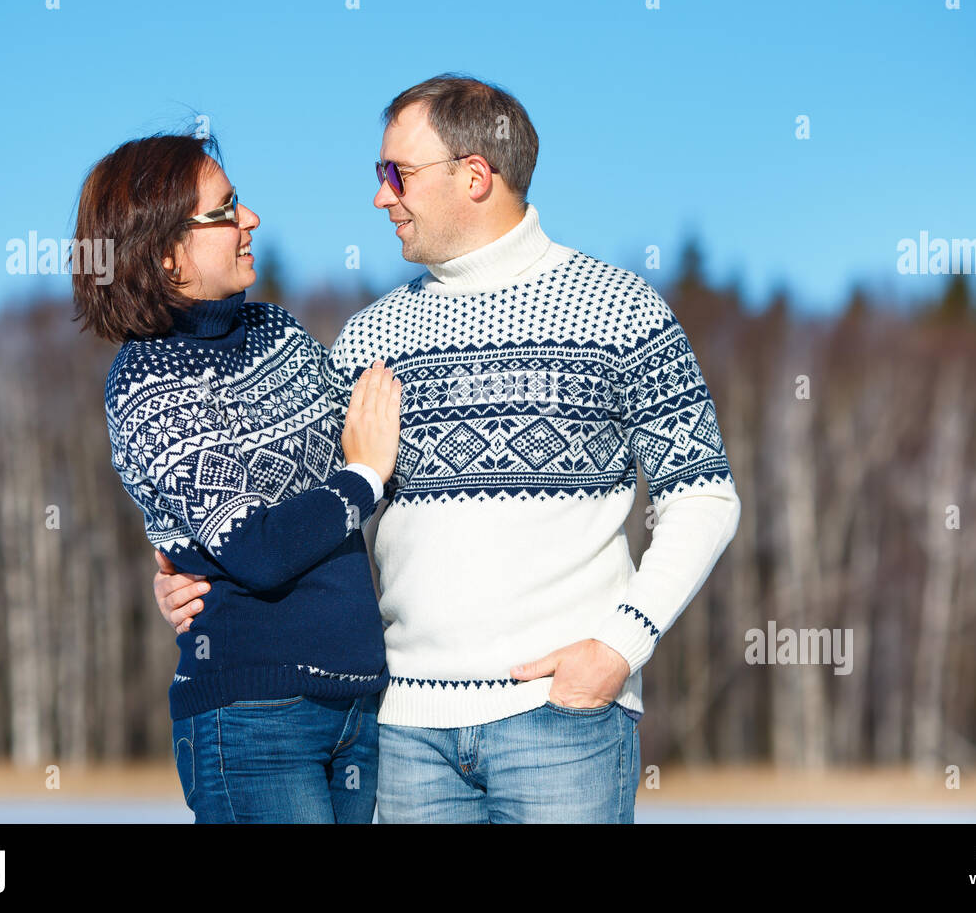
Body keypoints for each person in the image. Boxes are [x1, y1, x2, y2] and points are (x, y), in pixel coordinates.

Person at [155, 75, 741, 823]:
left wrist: (619, 648)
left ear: (474, 176)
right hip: (400, 735)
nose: (380, 196)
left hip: (563, 721)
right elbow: (278, 503)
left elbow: (703, 499)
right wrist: (187, 569)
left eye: (395, 174)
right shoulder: (367, 339)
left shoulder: (621, 309)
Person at [72, 133, 402, 822]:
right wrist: (362, 477)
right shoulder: (147, 381)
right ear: (163, 252)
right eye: (224, 212)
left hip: (357, 704)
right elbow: (259, 549)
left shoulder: (277, 331)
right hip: (253, 716)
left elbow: (378, 439)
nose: (250, 220)